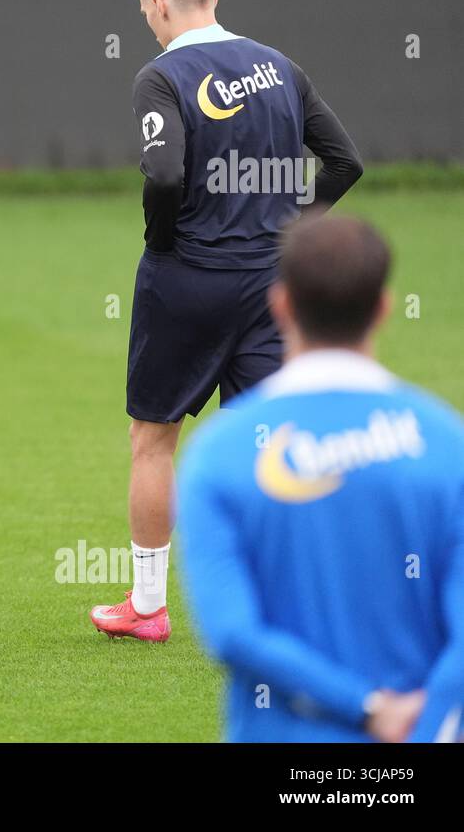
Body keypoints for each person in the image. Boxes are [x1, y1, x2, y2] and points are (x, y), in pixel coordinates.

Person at [91, 0, 363, 641]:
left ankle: (147, 608)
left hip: (188, 278)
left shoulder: (161, 75)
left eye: (145, 11)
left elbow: (162, 176)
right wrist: (293, 231)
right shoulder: (279, 67)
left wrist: (161, 242)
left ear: (158, 3)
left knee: (153, 438)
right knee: (270, 441)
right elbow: (345, 163)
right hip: (273, 283)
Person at [178, 216, 463, 742]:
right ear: (383, 307)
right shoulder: (447, 442)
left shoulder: (219, 451)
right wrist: (421, 727)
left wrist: (366, 706)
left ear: (280, 304)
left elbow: (233, 631)